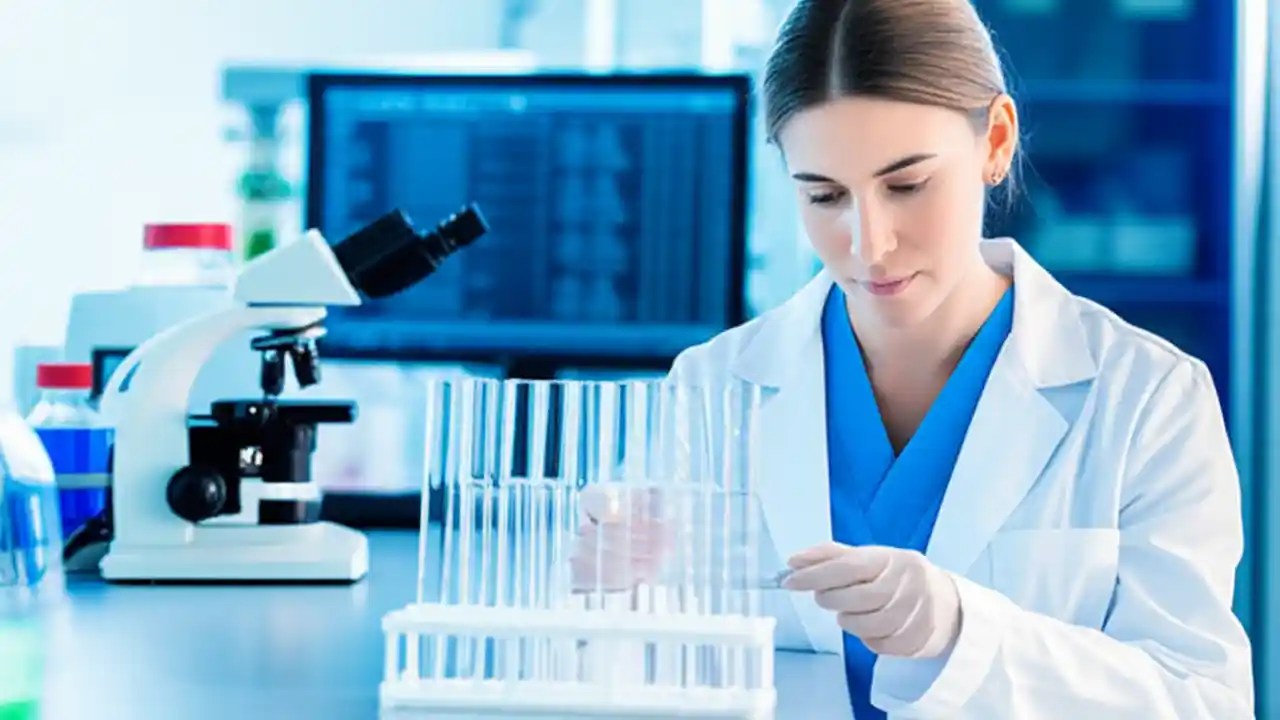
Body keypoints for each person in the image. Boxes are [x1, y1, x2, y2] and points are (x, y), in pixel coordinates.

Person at [572, 0, 1256, 717]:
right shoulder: (714, 387)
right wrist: (603, 600)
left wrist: (966, 633)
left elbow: (1202, 699)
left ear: (995, 141)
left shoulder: (1146, 397)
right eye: (825, 195)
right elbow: (634, 668)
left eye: (906, 186)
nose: (870, 244)